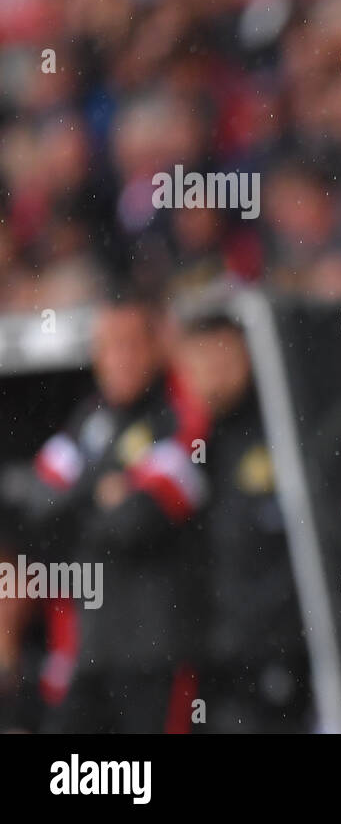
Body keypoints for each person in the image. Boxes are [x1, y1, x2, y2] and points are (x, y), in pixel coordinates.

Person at [0, 293, 209, 732]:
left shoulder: (179, 416)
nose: (120, 359)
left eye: (131, 344)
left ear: (155, 347)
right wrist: (105, 488)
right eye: (109, 345)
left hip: (155, 653)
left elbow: (134, 522)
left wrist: (81, 498)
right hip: (89, 652)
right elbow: (33, 512)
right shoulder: (89, 420)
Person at [172, 314, 314, 733]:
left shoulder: (284, 428)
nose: (213, 373)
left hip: (279, 645)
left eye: (223, 357)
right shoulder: (185, 439)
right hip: (209, 648)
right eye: (200, 360)